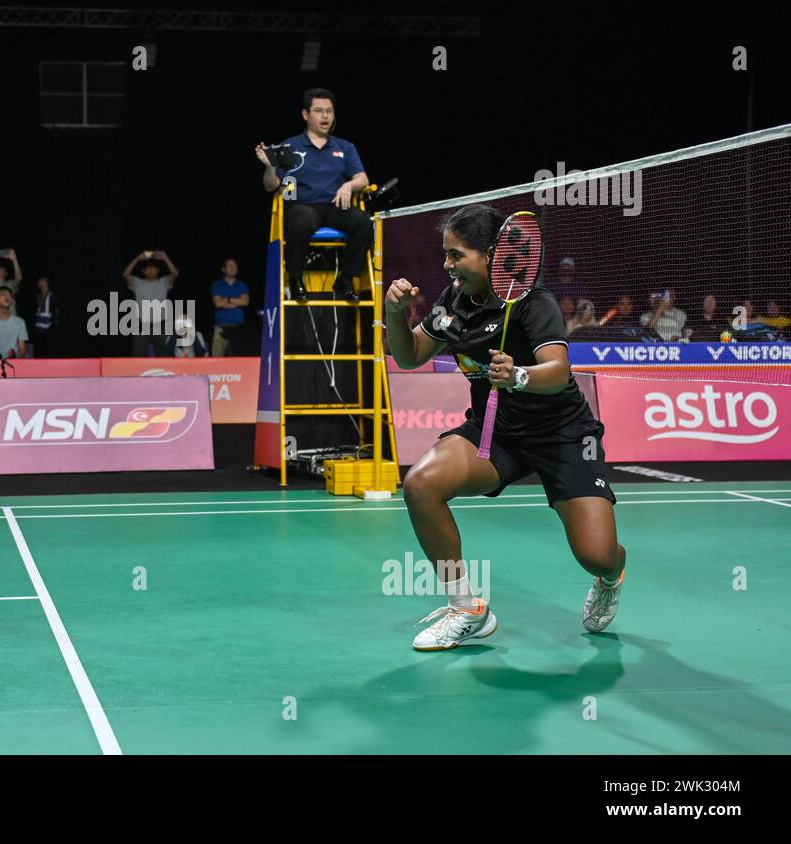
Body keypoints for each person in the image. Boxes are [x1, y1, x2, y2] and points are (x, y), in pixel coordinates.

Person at [384, 202, 624, 651]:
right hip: (498, 431)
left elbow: (558, 373)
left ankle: (611, 577)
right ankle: (467, 608)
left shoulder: (535, 302)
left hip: (562, 435)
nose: (447, 264)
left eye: (456, 254)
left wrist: (518, 375)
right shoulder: (451, 302)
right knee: (420, 485)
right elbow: (410, 355)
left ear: (490, 254)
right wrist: (395, 315)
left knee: (597, 555)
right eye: (446, 254)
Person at [255, 88, 373, 302]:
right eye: (319, 111)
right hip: (301, 205)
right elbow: (271, 186)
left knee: (364, 222)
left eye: (329, 111)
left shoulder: (344, 147)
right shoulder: (290, 146)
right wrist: (270, 167)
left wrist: (348, 186)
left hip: (334, 206)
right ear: (306, 115)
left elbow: (362, 179)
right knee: (301, 220)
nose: (325, 116)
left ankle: (345, 280)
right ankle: (296, 280)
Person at [123, 250, 179, 356]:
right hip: (142, 324)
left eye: (153, 268)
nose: (151, 270)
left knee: (165, 354)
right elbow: (126, 274)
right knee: (139, 355)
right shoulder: (137, 283)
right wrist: (137, 259)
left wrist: (165, 258)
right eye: (148, 268)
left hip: (161, 324)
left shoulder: (164, 282)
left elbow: (175, 273)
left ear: (157, 271)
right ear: (143, 271)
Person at [210, 258, 249, 356]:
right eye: (230, 265)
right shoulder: (217, 285)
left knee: (238, 360)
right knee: (216, 360)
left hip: (238, 329)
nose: (233, 268)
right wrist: (237, 302)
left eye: (234, 265)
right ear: (223, 269)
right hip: (221, 328)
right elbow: (218, 304)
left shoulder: (242, 285)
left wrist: (227, 299)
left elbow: (245, 302)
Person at [32, 276, 60, 357]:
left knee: (49, 352)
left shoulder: (52, 296)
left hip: (49, 330)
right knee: (40, 352)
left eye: (42, 280)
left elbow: (56, 313)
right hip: (38, 329)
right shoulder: (38, 296)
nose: (39, 282)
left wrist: (53, 328)